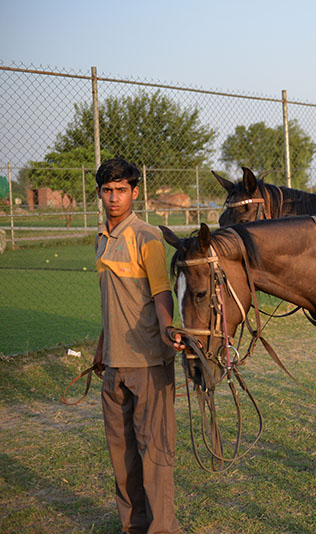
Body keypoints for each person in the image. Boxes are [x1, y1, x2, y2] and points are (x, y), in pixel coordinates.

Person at [92, 157, 181, 534]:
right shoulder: (100, 239)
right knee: (121, 455)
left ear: (135, 192)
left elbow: (162, 293)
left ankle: (163, 529)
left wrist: (167, 328)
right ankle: (133, 526)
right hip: (114, 363)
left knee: (155, 453)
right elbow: (112, 300)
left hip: (148, 362)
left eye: (121, 190)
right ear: (99, 193)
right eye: (108, 191)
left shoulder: (147, 236)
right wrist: (100, 347)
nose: (114, 198)